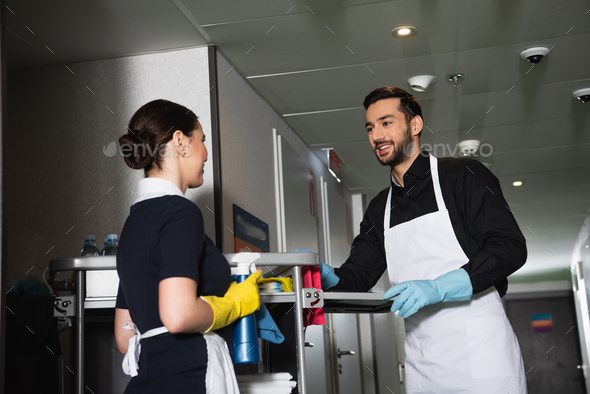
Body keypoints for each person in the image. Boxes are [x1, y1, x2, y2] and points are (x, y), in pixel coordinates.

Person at [319, 87, 527, 393]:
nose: (377, 135)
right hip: (422, 361)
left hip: (482, 353)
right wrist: (324, 277)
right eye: (370, 127)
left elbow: (510, 247)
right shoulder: (380, 208)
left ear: (415, 125)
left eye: (386, 123)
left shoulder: (463, 175)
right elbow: (357, 278)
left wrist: (439, 287)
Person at [114, 99, 262, 394]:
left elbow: (124, 336)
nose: (206, 152)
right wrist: (234, 304)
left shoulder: (134, 221)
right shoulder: (180, 213)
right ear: (180, 141)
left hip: (149, 378)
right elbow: (178, 315)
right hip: (189, 374)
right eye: (202, 140)